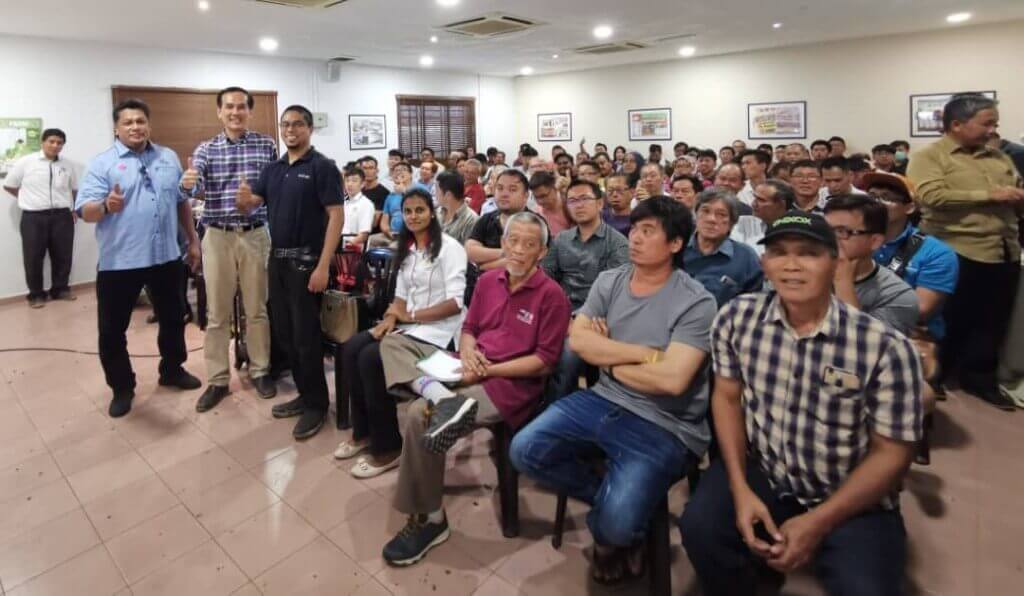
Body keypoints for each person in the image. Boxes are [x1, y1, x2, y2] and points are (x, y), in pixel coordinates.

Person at [680, 210, 923, 596]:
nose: (791, 266)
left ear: (836, 262)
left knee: (865, 587)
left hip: (847, 486)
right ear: (764, 263)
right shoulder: (737, 319)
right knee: (700, 529)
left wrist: (818, 521)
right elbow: (727, 398)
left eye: (808, 253)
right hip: (768, 468)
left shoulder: (882, 346)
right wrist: (740, 487)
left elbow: (893, 452)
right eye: (779, 253)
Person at [512, 196, 716, 585]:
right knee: (524, 450)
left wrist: (607, 357)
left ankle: (617, 529)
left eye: (648, 231)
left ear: (675, 244)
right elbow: (578, 340)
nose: (635, 238)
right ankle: (617, 503)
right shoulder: (611, 280)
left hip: (665, 423)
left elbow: (672, 381)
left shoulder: (696, 302)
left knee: (617, 529)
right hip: (603, 398)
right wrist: (644, 357)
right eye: (634, 229)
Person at [380, 211, 570, 566]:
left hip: (509, 384)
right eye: (512, 241)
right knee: (392, 343)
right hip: (467, 365)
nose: (518, 250)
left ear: (542, 252)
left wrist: (489, 369)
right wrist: (467, 354)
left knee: (420, 415)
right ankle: (441, 395)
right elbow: (469, 328)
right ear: (502, 242)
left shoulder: (552, 296)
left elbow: (544, 362)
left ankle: (430, 519)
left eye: (529, 245)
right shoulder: (488, 281)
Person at [75, 98, 202, 418]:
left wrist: (192, 239)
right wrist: (106, 206)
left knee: (174, 319)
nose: (135, 127)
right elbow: (84, 211)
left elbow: (181, 201)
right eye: (128, 122)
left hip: (166, 257)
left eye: (140, 121)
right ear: (117, 128)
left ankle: (172, 369)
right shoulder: (101, 163)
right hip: (121, 261)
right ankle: (122, 387)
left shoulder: (167, 157)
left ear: (149, 124)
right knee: (112, 329)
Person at [334, 189, 467, 478]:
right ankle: (363, 433)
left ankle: (388, 448)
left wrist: (411, 316)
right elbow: (401, 296)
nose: (414, 216)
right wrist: (391, 318)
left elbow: (456, 303)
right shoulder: (407, 250)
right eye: (408, 211)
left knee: (371, 358)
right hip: (409, 325)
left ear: (432, 213)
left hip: (440, 332)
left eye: (420, 210)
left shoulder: (450, 247)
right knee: (352, 347)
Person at [907, 93, 1024, 409]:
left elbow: (1014, 192)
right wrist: (990, 194)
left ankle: (980, 379)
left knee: (992, 320)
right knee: (949, 319)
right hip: (955, 249)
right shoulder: (930, 156)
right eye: (987, 123)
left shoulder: (999, 157)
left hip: (1004, 249)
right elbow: (930, 196)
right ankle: (937, 375)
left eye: (994, 124)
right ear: (957, 124)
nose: (992, 130)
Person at [242, 104, 343, 439]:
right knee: (285, 336)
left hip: (307, 263)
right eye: (285, 125)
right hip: (277, 262)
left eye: (297, 124)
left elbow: (336, 217)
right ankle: (304, 395)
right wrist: (244, 199)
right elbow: (252, 203)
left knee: (306, 337)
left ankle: (317, 406)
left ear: (310, 129)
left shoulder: (322, 167)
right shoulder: (273, 170)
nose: (290, 130)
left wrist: (323, 265)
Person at [177, 87, 279, 410]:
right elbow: (197, 188)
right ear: (219, 112)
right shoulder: (206, 149)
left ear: (249, 111)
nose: (235, 112)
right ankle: (218, 379)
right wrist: (188, 183)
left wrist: (255, 200)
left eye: (241, 107)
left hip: (255, 234)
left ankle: (261, 370)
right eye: (229, 107)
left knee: (257, 309)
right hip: (218, 235)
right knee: (217, 313)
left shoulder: (267, 145)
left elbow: (274, 188)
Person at [823, 194, 920, 336]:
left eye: (842, 232)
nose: (828, 239)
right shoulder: (799, 272)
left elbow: (859, 344)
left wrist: (842, 281)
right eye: (824, 230)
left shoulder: (899, 297)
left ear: (875, 241)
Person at [4, 127, 78, 308]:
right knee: (33, 257)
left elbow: (73, 189)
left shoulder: (67, 165)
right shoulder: (26, 162)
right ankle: (36, 294)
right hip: (33, 217)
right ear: (42, 142)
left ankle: (60, 289)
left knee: (63, 255)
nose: (55, 145)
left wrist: (73, 208)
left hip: (62, 216)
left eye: (59, 143)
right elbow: (9, 185)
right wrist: (27, 198)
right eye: (51, 141)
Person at [542, 179, 629, 312]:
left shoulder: (618, 243)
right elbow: (546, 275)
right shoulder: (561, 239)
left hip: (597, 315)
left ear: (600, 204)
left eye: (584, 198)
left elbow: (613, 292)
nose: (578, 205)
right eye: (572, 201)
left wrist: (577, 318)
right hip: (559, 307)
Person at [684, 190, 764, 306]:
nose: (711, 219)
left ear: (732, 223)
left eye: (721, 214)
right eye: (705, 211)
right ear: (695, 215)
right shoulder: (676, 249)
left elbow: (753, 305)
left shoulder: (746, 257)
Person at [465, 169, 533, 302]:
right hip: (484, 290)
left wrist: (483, 266)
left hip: (521, 293)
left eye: (512, 189)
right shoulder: (486, 219)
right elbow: (470, 251)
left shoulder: (535, 224)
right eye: (500, 188)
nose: (504, 194)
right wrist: (507, 253)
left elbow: (526, 264)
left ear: (526, 195)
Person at [731, 179, 796, 256]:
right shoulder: (742, 222)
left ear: (781, 204)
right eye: (755, 198)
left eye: (761, 200)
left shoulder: (796, 229)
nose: (753, 204)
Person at [373, 162, 417, 246]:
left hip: (412, 233)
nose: (399, 172)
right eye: (396, 170)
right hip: (393, 234)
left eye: (403, 169)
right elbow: (384, 220)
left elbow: (417, 209)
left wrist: (404, 191)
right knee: (371, 241)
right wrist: (387, 231)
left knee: (393, 247)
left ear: (411, 174)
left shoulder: (418, 190)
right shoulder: (390, 196)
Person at [435, 170, 478, 245]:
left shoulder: (471, 220)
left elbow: (467, 252)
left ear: (448, 195)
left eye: (437, 190)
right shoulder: (437, 212)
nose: (435, 194)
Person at [341, 166, 375, 248]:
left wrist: (344, 246)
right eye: (347, 181)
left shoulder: (366, 204)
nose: (349, 184)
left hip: (353, 250)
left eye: (354, 181)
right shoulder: (342, 202)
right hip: (338, 245)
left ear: (362, 184)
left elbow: (363, 235)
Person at [529, 171, 569, 237]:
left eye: (544, 196)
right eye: (536, 197)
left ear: (555, 189)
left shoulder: (568, 204)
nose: (540, 201)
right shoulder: (536, 213)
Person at [358, 156, 391, 231]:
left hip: (374, 233)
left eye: (371, 168)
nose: (367, 171)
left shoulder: (384, 192)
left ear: (377, 170)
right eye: (365, 168)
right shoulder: (358, 191)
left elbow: (374, 222)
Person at [602, 172, 633, 237]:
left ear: (631, 192)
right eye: (610, 190)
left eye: (619, 190)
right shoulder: (599, 218)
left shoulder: (638, 221)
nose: (615, 194)